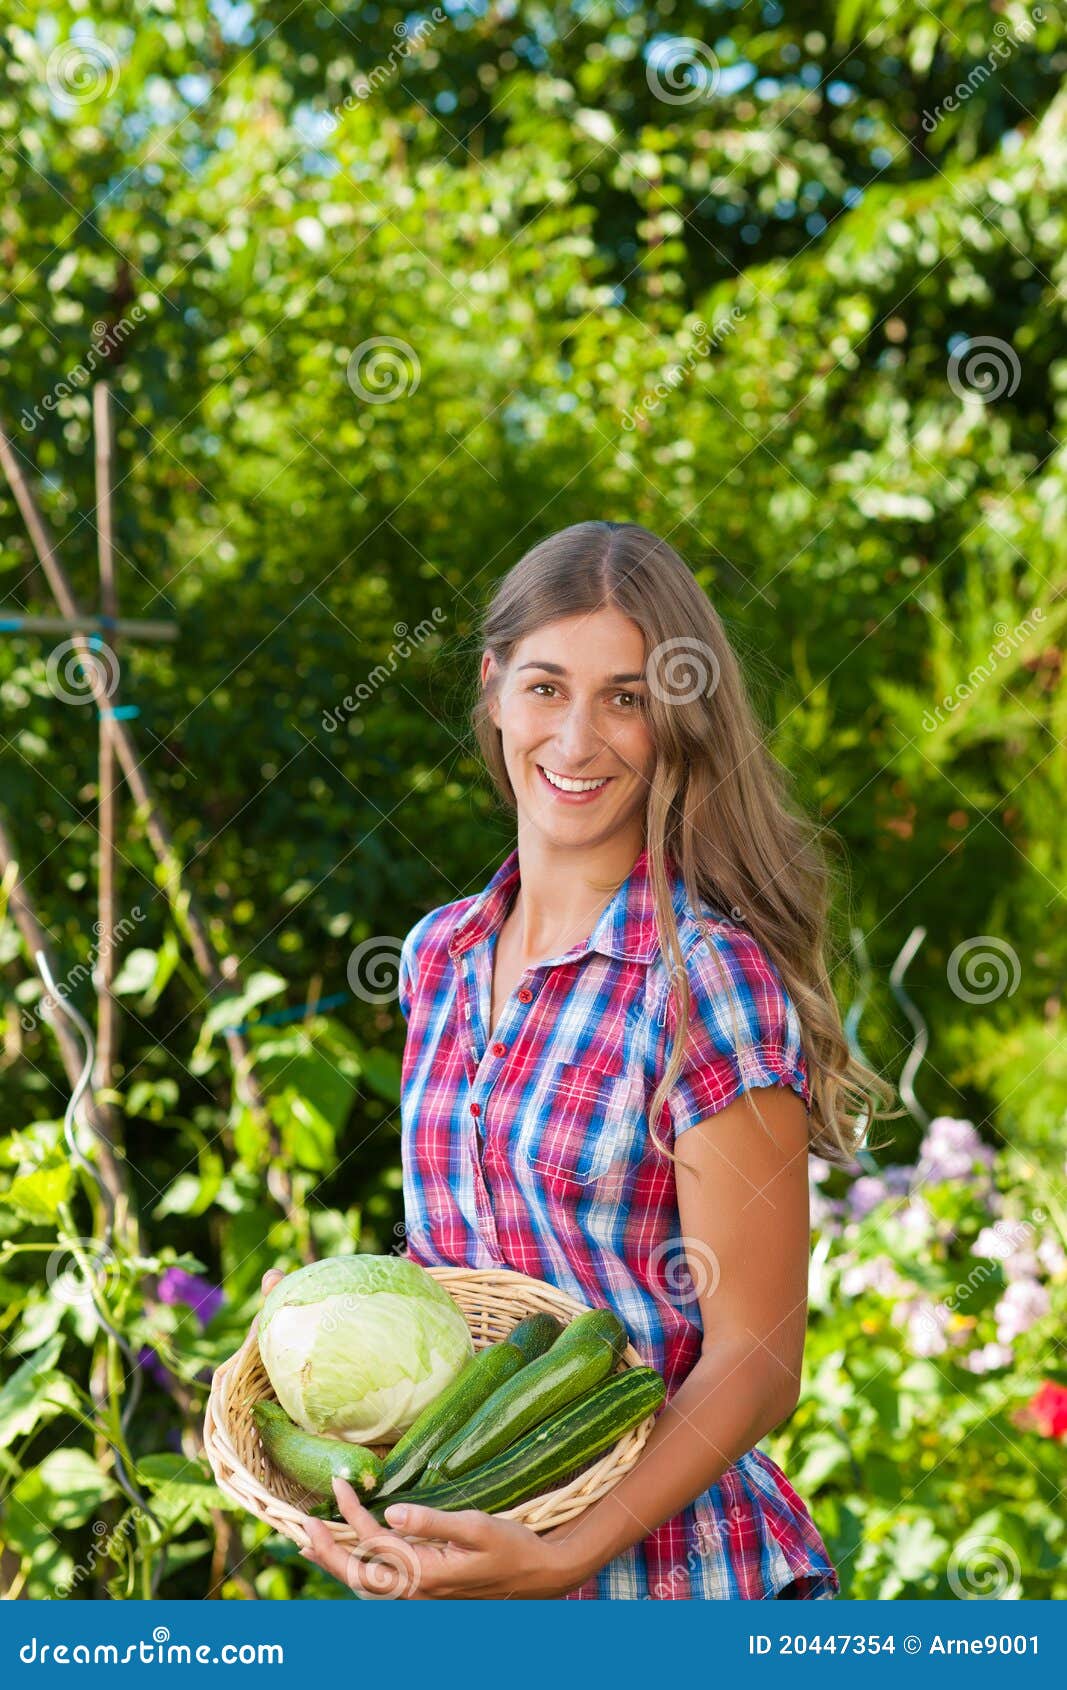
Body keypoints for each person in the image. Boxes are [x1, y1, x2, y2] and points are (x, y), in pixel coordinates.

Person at [295, 519, 895, 1599]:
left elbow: (756, 1363)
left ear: (676, 721)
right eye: (543, 687)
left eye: (624, 697)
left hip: (675, 1589)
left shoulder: (703, 981)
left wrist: (564, 1553)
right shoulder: (437, 958)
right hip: (468, 1595)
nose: (575, 739)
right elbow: (452, 1299)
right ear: (490, 688)